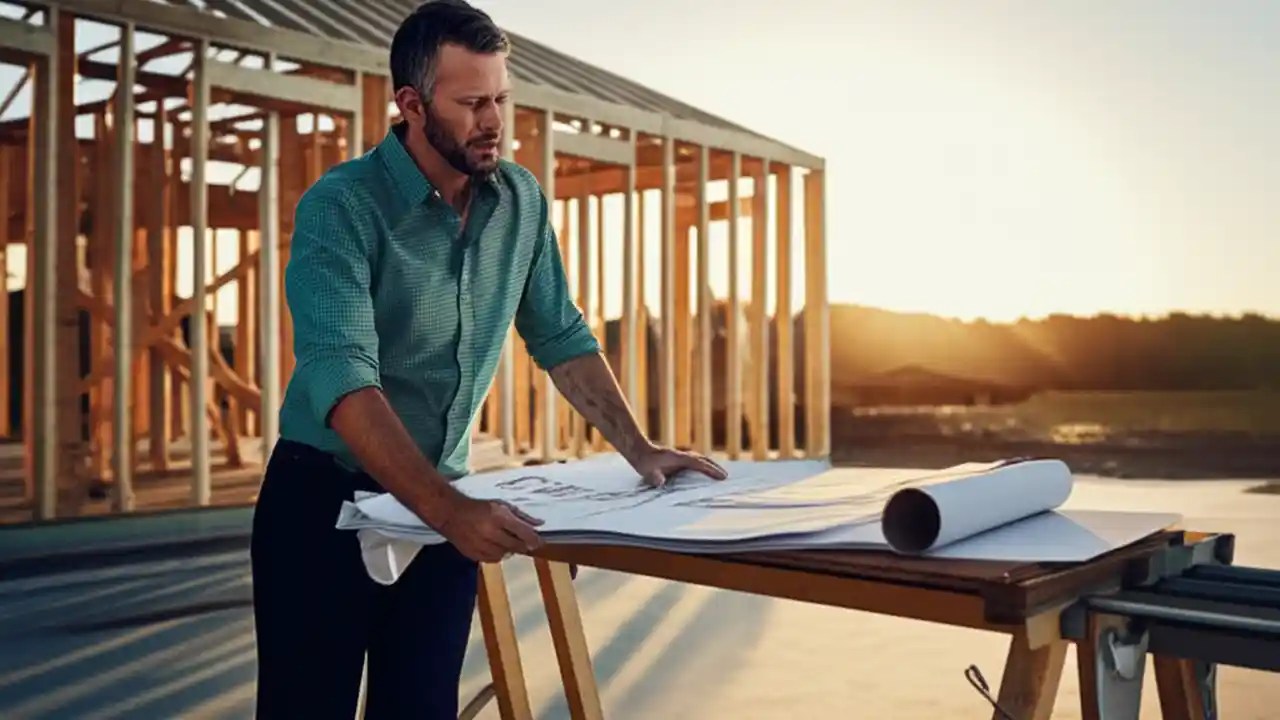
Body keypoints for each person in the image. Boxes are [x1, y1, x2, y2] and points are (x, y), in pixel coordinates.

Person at [249, 1, 727, 717]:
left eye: (501, 96)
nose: (494, 119)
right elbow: (342, 376)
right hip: (322, 507)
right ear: (411, 105)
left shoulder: (520, 202)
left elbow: (560, 335)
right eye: (472, 102)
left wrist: (641, 449)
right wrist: (449, 510)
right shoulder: (341, 207)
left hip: (444, 511)